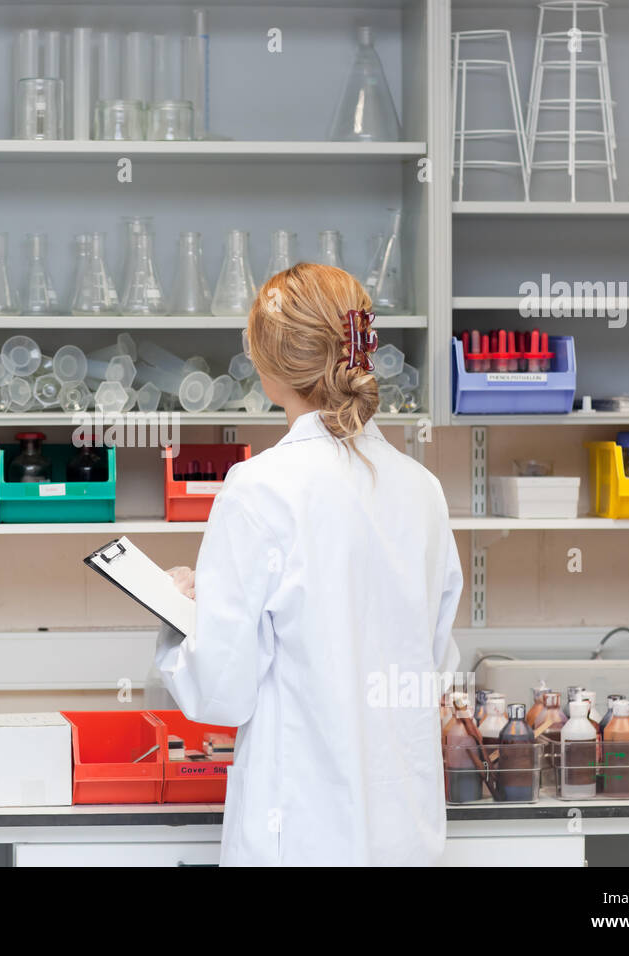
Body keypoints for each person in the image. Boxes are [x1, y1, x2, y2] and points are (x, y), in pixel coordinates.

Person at [155, 263, 462, 866]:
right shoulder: (420, 488)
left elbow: (221, 692)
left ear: (268, 368)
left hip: (300, 839)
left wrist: (178, 618)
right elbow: (433, 668)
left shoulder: (259, 488)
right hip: (403, 838)